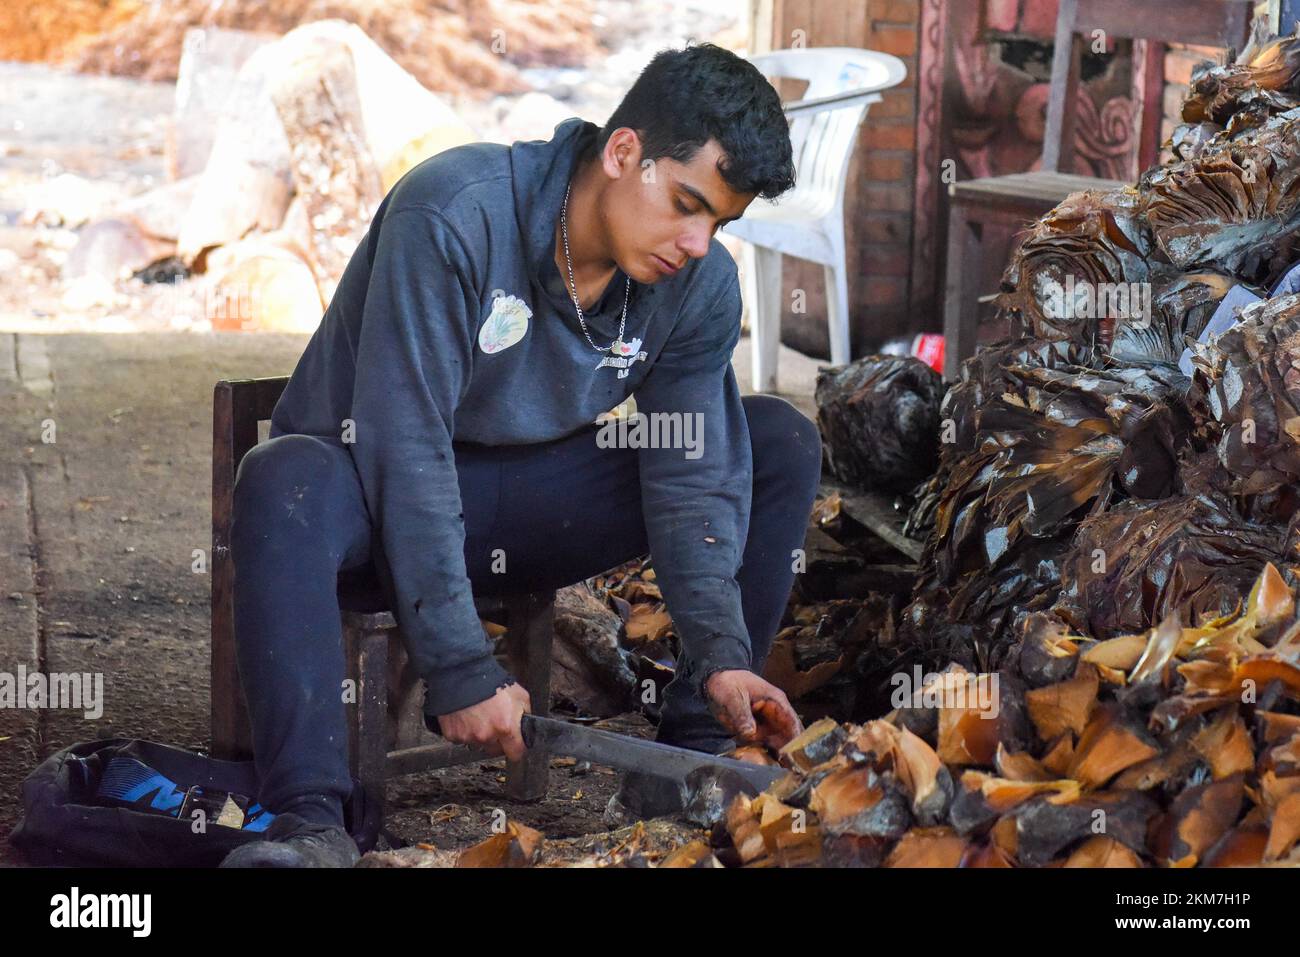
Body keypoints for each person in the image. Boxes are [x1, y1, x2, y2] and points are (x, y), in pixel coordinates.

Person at [220, 42, 822, 868]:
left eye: (719, 220)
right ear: (623, 152)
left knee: (776, 438)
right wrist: (460, 664)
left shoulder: (699, 282)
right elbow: (406, 443)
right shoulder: (453, 213)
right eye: (687, 202)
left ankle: (688, 758)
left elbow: (691, 471)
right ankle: (308, 821)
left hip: (533, 503)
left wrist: (720, 654)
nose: (696, 240)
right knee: (280, 477)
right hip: (372, 494)